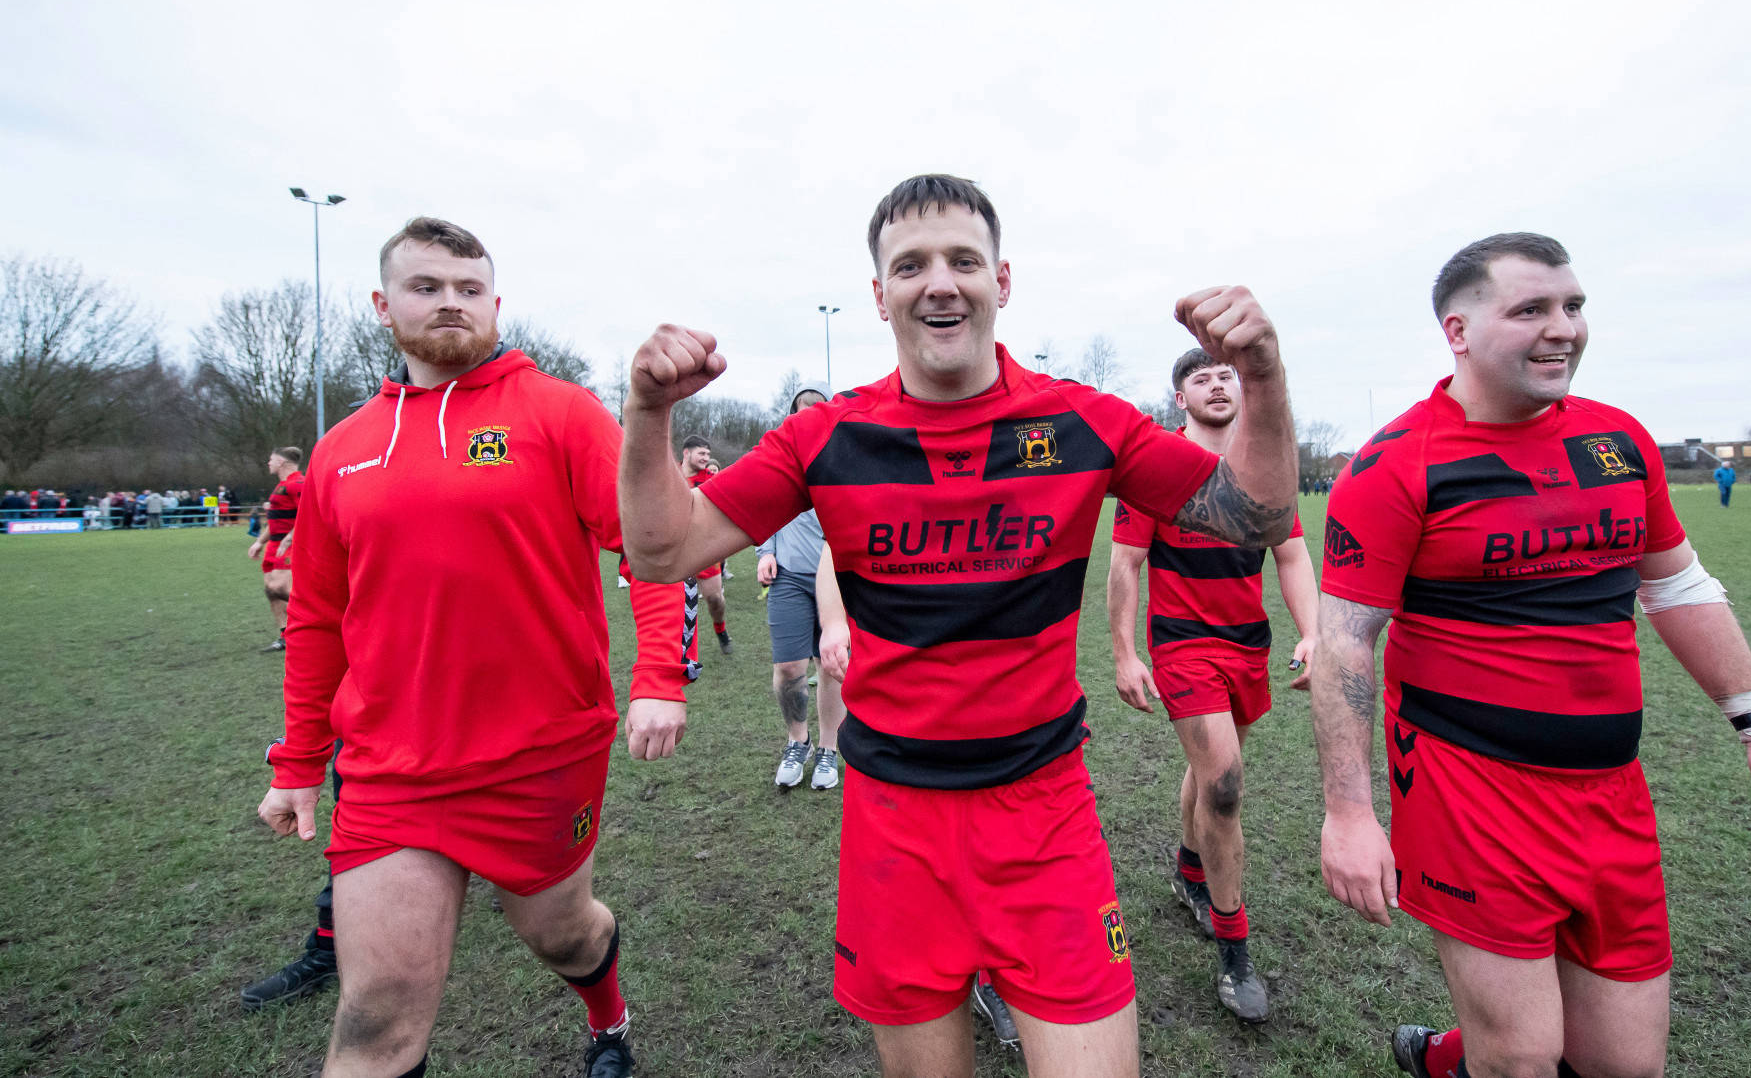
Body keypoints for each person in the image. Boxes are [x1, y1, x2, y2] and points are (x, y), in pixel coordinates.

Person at [617, 174, 1299, 1078]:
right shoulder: (826, 437)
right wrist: (649, 413)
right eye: (911, 265)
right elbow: (664, 551)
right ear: (879, 294)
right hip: (893, 824)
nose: (939, 282)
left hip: (1045, 815)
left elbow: (1255, 515)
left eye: (963, 260)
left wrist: (1264, 377)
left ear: (1002, 281)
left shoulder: (1082, 420)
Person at [1308, 233, 1751, 1078]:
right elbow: (1343, 642)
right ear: (1459, 331)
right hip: (1469, 788)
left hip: (1612, 792)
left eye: (1574, 306)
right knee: (1523, 1059)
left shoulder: (1619, 440)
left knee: (1626, 1066)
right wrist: (1350, 814)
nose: (1564, 329)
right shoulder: (1399, 464)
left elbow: (1680, 589)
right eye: (1532, 310)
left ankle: (1444, 1060)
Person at [256, 216, 690, 1078]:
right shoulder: (341, 452)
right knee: (376, 1013)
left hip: (540, 754)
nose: (451, 303)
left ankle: (607, 1020)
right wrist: (300, 759)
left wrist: (659, 677)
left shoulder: (559, 412)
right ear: (383, 305)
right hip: (390, 768)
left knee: (563, 934)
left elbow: (651, 546)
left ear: (496, 304)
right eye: (427, 287)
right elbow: (314, 620)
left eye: (469, 289)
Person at [1106, 347, 1319, 1023]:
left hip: (1248, 648)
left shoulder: (1262, 467)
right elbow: (1125, 565)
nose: (1218, 384)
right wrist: (1123, 653)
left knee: (1210, 778)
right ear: (1181, 398)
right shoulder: (1158, 468)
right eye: (1201, 377)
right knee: (1224, 783)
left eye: (1227, 374)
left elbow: (1290, 554)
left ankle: (1191, 873)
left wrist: (1311, 632)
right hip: (1183, 648)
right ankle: (1234, 956)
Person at [757, 381, 849, 790]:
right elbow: (763, 506)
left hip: (835, 576)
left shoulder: (846, 455)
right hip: (789, 575)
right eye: (800, 406)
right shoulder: (781, 455)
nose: (807, 412)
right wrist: (766, 551)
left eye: (817, 405)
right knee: (788, 668)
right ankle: (799, 741)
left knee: (830, 665)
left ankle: (829, 749)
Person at [248, 448, 306, 653]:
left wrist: (290, 538)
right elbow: (275, 521)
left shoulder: (297, 484)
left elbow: (308, 515)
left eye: (271, 459)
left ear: (281, 462)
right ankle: (285, 636)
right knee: (271, 592)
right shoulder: (281, 486)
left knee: (281, 588)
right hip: (274, 545)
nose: (268, 463)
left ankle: (322, 619)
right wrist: (259, 542)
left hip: (289, 545)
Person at [679, 436, 734, 654]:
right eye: (701, 453)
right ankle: (681, 650)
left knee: (714, 599)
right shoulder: (670, 475)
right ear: (686, 453)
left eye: (708, 454)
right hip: (678, 551)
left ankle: (721, 631)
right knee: (678, 605)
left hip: (704, 549)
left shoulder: (712, 478)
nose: (706, 458)